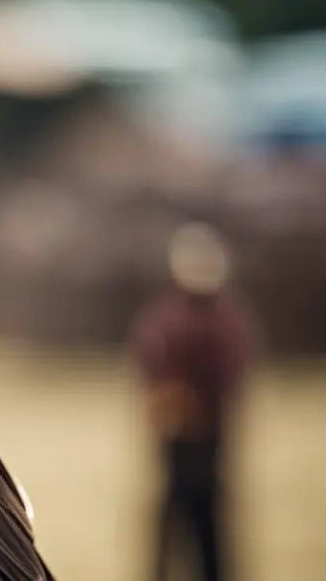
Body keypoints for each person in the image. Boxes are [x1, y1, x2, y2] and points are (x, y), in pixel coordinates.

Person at [127, 222, 257, 581]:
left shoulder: (224, 321)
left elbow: (231, 376)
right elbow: (150, 365)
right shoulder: (167, 318)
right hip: (175, 441)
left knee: (208, 521)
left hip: (210, 440)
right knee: (170, 519)